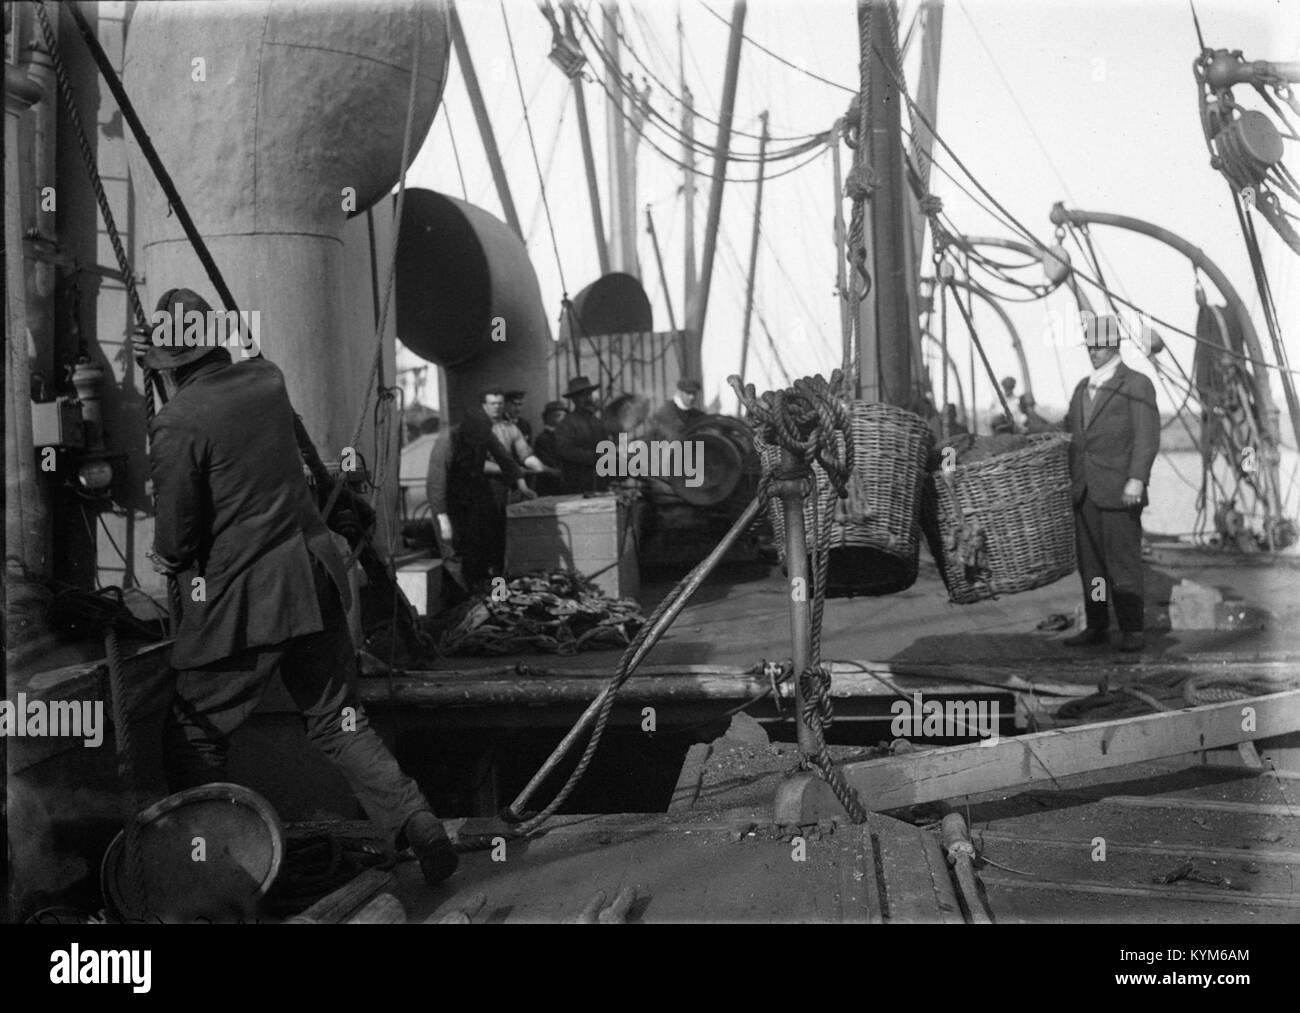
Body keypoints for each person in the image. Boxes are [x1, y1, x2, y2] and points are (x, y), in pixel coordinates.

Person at [141, 288, 457, 888]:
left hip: (245, 600)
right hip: (314, 581)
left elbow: (178, 541)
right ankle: (418, 823)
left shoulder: (174, 421)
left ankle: (207, 874)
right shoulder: (268, 379)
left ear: (167, 363)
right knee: (339, 721)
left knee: (192, 733)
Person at [1060, 314, 1159, 653]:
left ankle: (1133, 630)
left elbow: (1147, 436)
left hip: (1120, 489)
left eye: (1099, 345)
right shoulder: (1080, 389)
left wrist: (1137, 479)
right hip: (1085, 490)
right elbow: (1069, 433)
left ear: (1114, 345)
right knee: (1093, 568)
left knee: (1123, 563)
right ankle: (1098, 625)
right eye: (1090, 345)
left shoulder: (1136, 384)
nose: (1093, 351)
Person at [429, 388, 536, 586]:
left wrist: (522, 485)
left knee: (479, 548)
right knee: (453, 550)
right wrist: (444, 522)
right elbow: (436, 486)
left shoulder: (483, 433)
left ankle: (489, 597)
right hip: (447, 503)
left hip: (470, 498)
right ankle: (460, 601)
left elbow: (506, 460)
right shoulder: (447, 442)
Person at [555, 375, 609, 494]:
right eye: (582, 395)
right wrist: (594, 457)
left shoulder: (598, 422)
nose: (588, 398)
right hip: (577, 485)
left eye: (589, 394)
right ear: (573, 399)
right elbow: (565, 451)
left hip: (600, 484)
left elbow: (607, 447)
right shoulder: (567, 424)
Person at [647, 377, 706, 441]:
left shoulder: (699, 415)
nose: (692, 397)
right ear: (679, 392)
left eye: (694, 393)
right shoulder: (666, 411)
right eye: (688, 393)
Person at [531, 400, 568, 496]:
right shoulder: (543, 439)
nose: (562, 420)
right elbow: (550, 464)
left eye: (564, 416)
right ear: (548, 418)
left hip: (563, 485)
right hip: (549, 486)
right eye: (558, 416)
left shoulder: (565, 436)